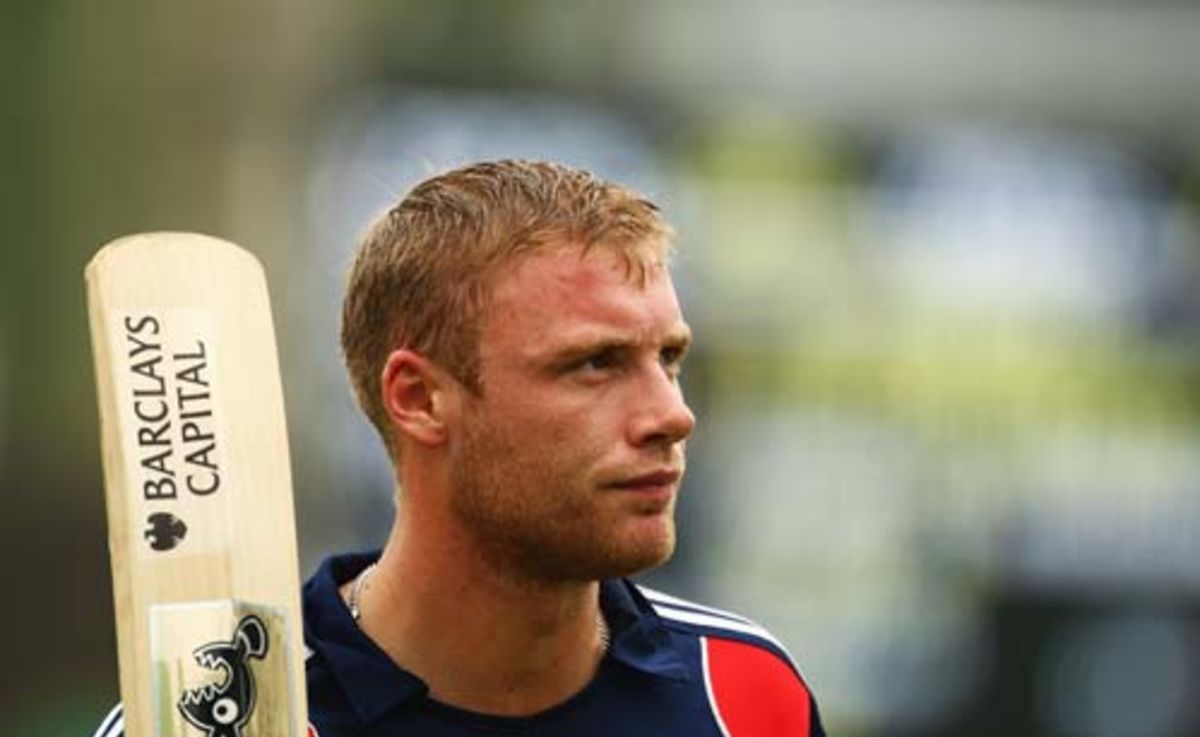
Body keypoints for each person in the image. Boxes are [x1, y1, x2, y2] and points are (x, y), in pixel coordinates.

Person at [92, 159, 825, 736]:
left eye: (668, 357)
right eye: (595, 363)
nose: (673, 414)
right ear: (418, 398)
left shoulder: (747, 693)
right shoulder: (211, 716)